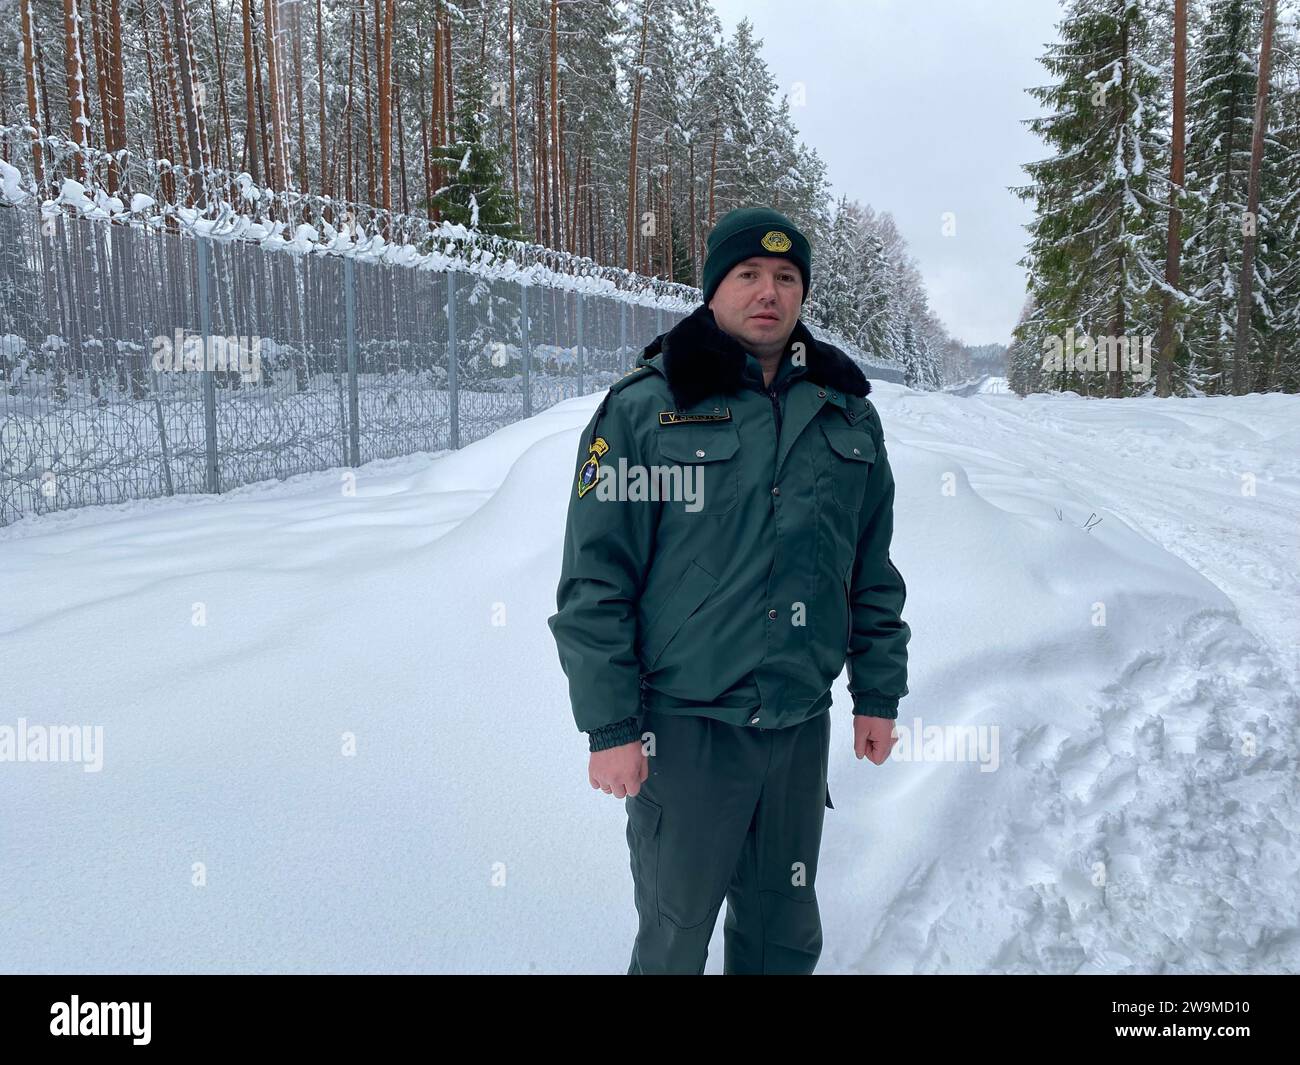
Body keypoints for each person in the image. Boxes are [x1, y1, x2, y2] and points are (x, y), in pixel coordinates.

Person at [548, 206, 910, 974]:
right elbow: (594, 577)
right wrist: (611, 725)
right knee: (676, 934)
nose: (768, 291)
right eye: (747, 274)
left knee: (783, 937)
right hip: (683, 733)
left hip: (797, 725)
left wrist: (877, 691)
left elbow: (870, 566)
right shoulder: (649, 405)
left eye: (785, 277)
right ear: (714, 288)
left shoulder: (847, 413)